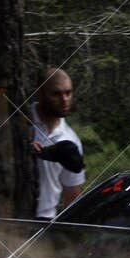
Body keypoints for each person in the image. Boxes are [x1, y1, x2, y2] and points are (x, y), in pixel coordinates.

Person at [31, 67, 86, 220]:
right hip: (7, 219)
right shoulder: (18, 124)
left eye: (68, 93)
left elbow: (72, 194)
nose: (64, 100)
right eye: (56, 94)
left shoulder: (71, 139)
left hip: (44, 221)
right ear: (40, 93)